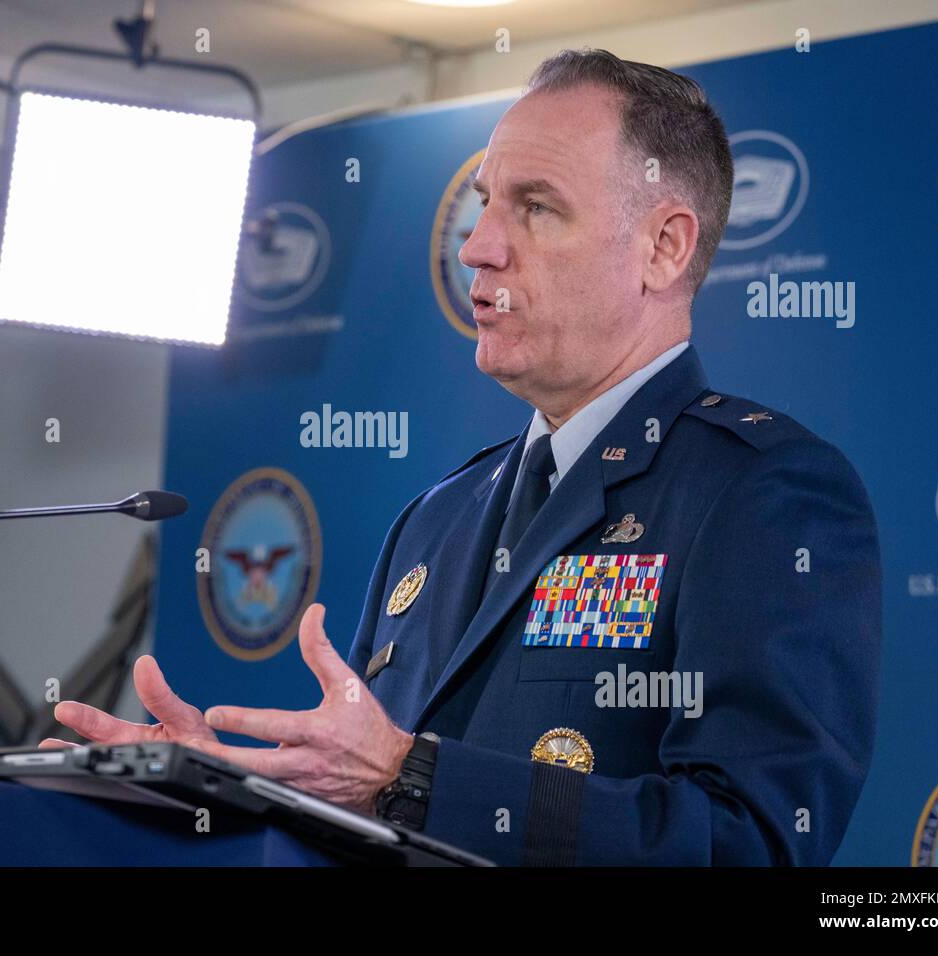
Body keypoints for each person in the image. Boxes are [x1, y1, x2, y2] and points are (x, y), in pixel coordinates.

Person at [45, 49, 882, 866]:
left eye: (537, 208)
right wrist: (239, 792)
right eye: (485, 203)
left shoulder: (760, 491)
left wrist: (412, 778)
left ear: (663, 248)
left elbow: (753, 841)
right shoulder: (436, 517)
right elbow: (372, 816)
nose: (478, 247)